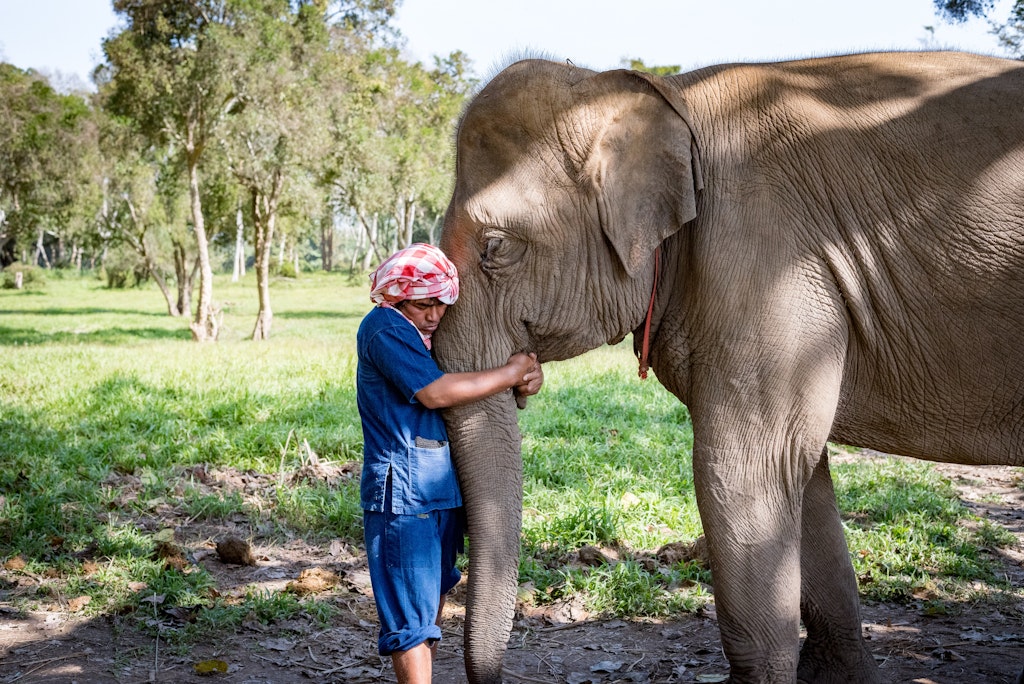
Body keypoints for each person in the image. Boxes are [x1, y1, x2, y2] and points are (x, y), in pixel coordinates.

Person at [356, 243, 542, 684]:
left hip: (438, 488)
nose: (435, 315)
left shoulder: (423, 334)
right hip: (403, 496)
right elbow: (435, 392)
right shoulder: (384, 327)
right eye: (424, 304)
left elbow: (468, 373)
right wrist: (510, 373)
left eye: (442, 304)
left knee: (432, 598)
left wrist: (526, 376)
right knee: (411, 620)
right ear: (396, 296)